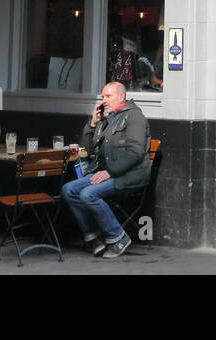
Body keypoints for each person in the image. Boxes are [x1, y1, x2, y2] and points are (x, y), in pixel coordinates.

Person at [62, 81, 151, 258]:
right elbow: (86, 149)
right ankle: (93, 237)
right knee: (69, 189)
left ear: (121, 97)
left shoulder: (134, 117)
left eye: (108, 96)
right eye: (103, 96)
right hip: (106, 172)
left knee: (88, 194)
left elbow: (135, 153)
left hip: (130, 175)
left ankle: (117, 237)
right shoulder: (107, 119)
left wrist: (110, 172)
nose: (104, 100)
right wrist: (92, 124)